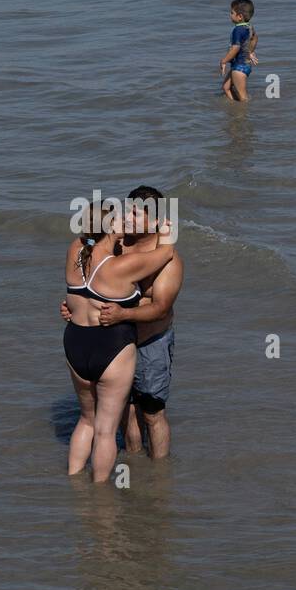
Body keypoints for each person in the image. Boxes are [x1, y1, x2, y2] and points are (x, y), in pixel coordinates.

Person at [61, 187, 184, 458]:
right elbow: (87, 282)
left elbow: (161, 309)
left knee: (152, 413)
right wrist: (75, 307)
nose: (129, 217)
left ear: (155, 222)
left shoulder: (169, 260)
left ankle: (158, 478)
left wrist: (123, 314)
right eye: (128, 209)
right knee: (125, 413)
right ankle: (133, 466)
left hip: (150, 342)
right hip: (114, 344)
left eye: (138, 213)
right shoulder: (115, 244)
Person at [220, 0, 259, 102]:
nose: (230, 15)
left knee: (243, 97)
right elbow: (255, 38)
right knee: (226, 87)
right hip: (242, 65)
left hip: (239, 68)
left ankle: (243, 115)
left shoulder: (237, 30)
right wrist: (250, 51)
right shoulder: (249, 26)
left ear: (240, 16)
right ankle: (235, 109)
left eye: (232, 12)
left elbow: (235, 48)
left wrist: (224, 61)